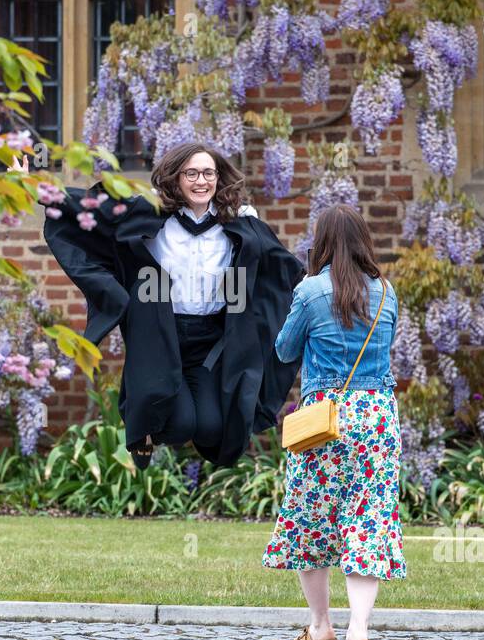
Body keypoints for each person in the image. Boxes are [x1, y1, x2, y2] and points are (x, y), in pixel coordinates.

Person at [37, 141, 304, 468]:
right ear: (175, 178)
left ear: (219, 179)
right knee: (179, 425)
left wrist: (316, 288)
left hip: (210, 342)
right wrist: (38, 189)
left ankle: (166, 421)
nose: (200, 181)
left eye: (208, 173)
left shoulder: (239, 225)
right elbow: (91, 208)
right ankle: (142, 431)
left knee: (210, 427)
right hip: (160, 333)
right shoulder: (148, 214)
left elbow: (282, 268)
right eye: (191, 173)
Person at [262, 203, 403, 640]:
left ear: (320, 242)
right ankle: (358, 632)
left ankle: (321, 626)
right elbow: (386, 345)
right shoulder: (386, 292)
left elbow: (284, 350)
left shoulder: (309, 290)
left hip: (326, 417)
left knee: (312, 520)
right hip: (377, 417)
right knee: (369, 518)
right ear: (364, 240)